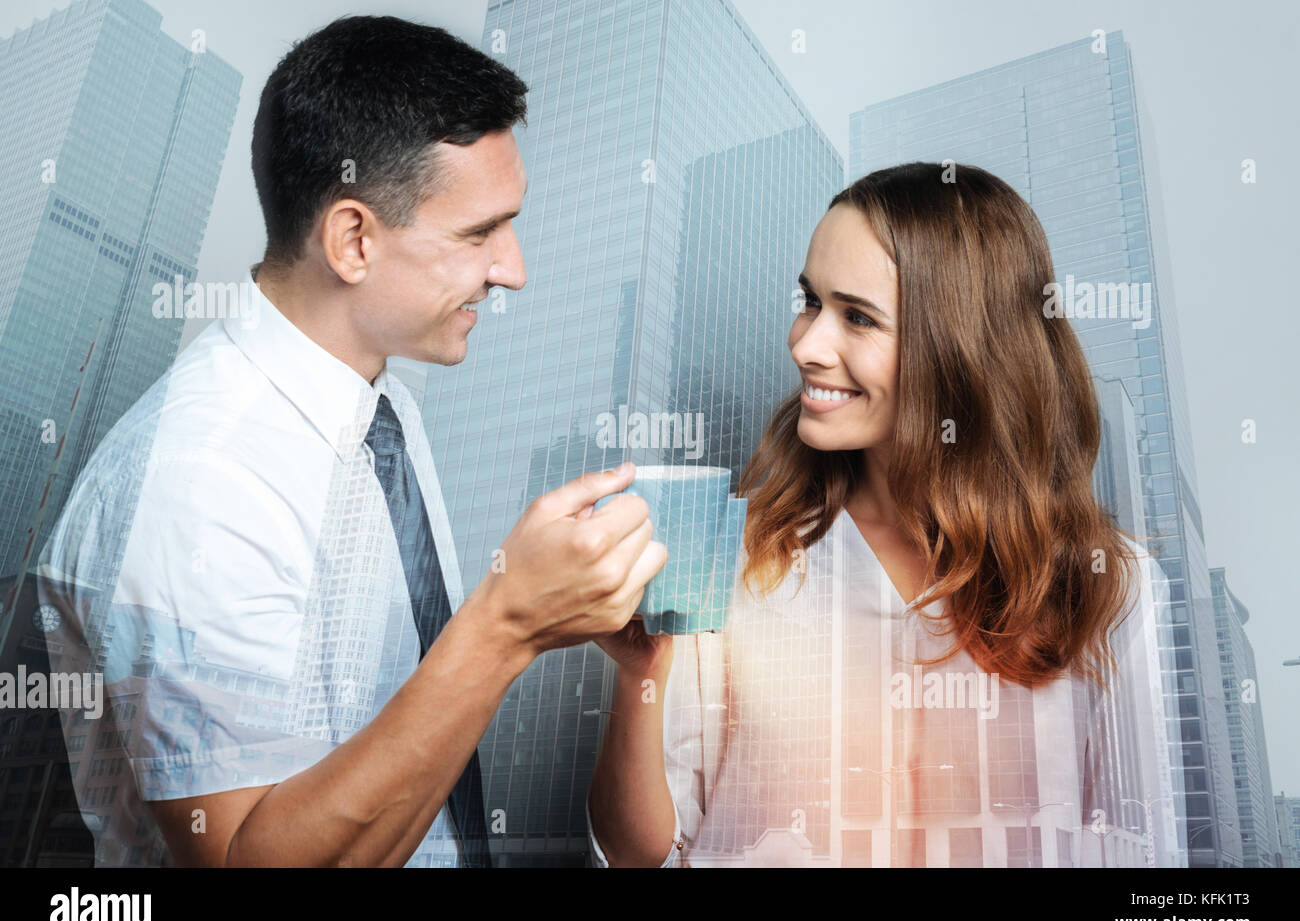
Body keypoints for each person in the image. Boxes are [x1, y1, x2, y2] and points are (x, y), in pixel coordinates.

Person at [35, 15, 665, 868]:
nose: (514, 269)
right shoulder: (196, 481)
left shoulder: (381, 412)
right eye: (481, 233)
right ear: (353, 240)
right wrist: (506, 625)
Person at [587, 162, 1187, 868]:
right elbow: (642, 855)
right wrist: (641, 674)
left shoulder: (1111, 587)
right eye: (809, 301)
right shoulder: (736, 555)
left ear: (963, 348)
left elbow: (1147, 872)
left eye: (858, 317)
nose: (805, 343)